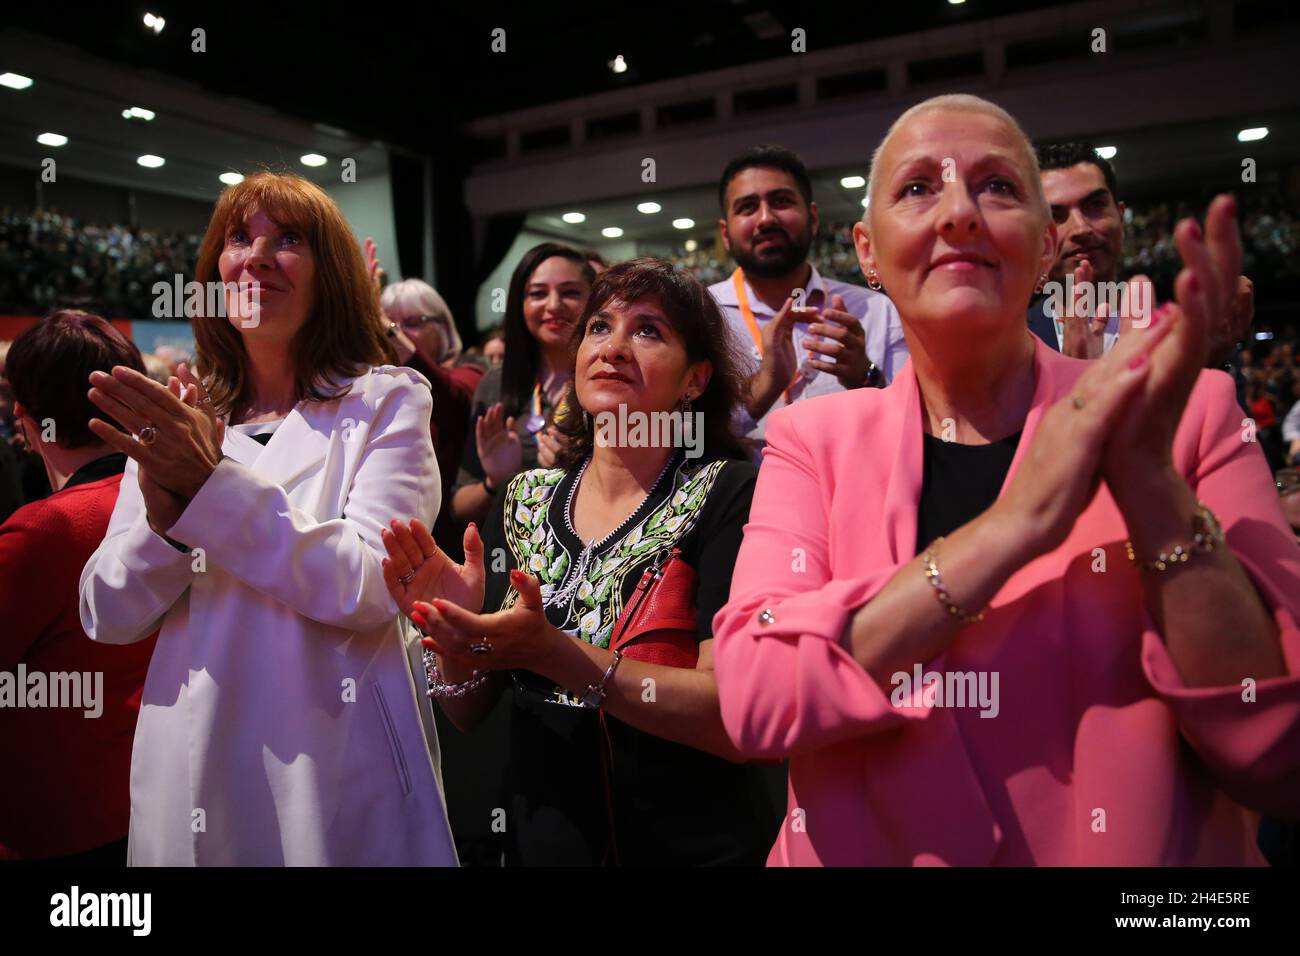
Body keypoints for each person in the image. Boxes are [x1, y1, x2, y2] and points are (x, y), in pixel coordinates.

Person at [712, 94, 1300, 866]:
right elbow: (757, 700)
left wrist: (1150, 484)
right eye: (919, 188)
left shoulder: (1192, 416)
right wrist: (1009, 527)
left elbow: (1278, 752)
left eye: (997, 187)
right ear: (868, 251)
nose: (959, 213)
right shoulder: (811, 441)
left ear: (1049, 246)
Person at [78, 172, 457, 866]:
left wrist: (206, 488)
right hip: (194, 754)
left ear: (332, 275)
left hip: (333, 756)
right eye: (238, 239)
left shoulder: (387, 402)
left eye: (288, 240)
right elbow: (107, 611)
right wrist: (164, 524)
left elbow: (372, 583)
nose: (255, 257)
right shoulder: (189, 415)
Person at [383, 258, 778, 865]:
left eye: (648, 331)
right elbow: (469, 713)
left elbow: (733, 721)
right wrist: (454, 635)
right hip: (540, 841)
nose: (614, 347)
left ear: (695, 380)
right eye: (599, 327)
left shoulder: (731, 493)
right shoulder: (524, 497)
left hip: (692, 845)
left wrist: (554, 652)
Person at [0, 311, 157, 863]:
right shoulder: (182, 500)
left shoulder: (44, 530)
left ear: (24, 416)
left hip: (60, 831)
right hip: (158, 807)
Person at [708, 145, 907, 451]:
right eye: (747, 207)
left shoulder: (876, 311)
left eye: (781, 201)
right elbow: (682, 437)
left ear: (813, 218)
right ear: (725, 233)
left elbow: (916, 427)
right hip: (743, 499)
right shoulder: (702, 317)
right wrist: (763, 387)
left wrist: (866, 378)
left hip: (853, 496)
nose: (765, 219)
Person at [1034, 143, 1255, 363]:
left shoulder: (1184, 333)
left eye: (1095, 205)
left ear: (1121, 217)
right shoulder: (1009, 345)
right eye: (1055, 214)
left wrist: (1206, 361)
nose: (1081, 228)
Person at [451, 243, 594, 528]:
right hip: (510, 556)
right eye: (538, 294)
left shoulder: (610, 379)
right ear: (520, 303)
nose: (553, 305)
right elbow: (460, 508)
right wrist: (496, 481)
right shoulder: (496, 383)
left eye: (570, 292)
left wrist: (584, 464)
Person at [377, 275, 484, 558]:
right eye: (391, 322)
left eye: (411, 323)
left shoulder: (469, 372)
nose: (398, 332)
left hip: (450, 547)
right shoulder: (378, 385)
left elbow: (451, 400)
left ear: (443, 328)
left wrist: (384, 327)